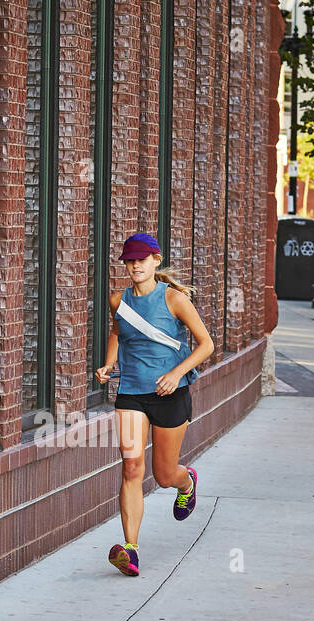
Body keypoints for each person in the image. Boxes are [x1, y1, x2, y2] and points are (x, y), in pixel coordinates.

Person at [95, 232, 214, 577]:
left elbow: (205, 344)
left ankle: (186, 481)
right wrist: (109, 364)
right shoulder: (119, 300)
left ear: (155, 260)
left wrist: (177, 374)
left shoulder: (174, 299)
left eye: (141, 260)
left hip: (170, 395)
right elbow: (118, 332)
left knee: (163, 475)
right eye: (130, 261)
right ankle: (130, 548)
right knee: (132, 468)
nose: (135, 266)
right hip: (131, 393)